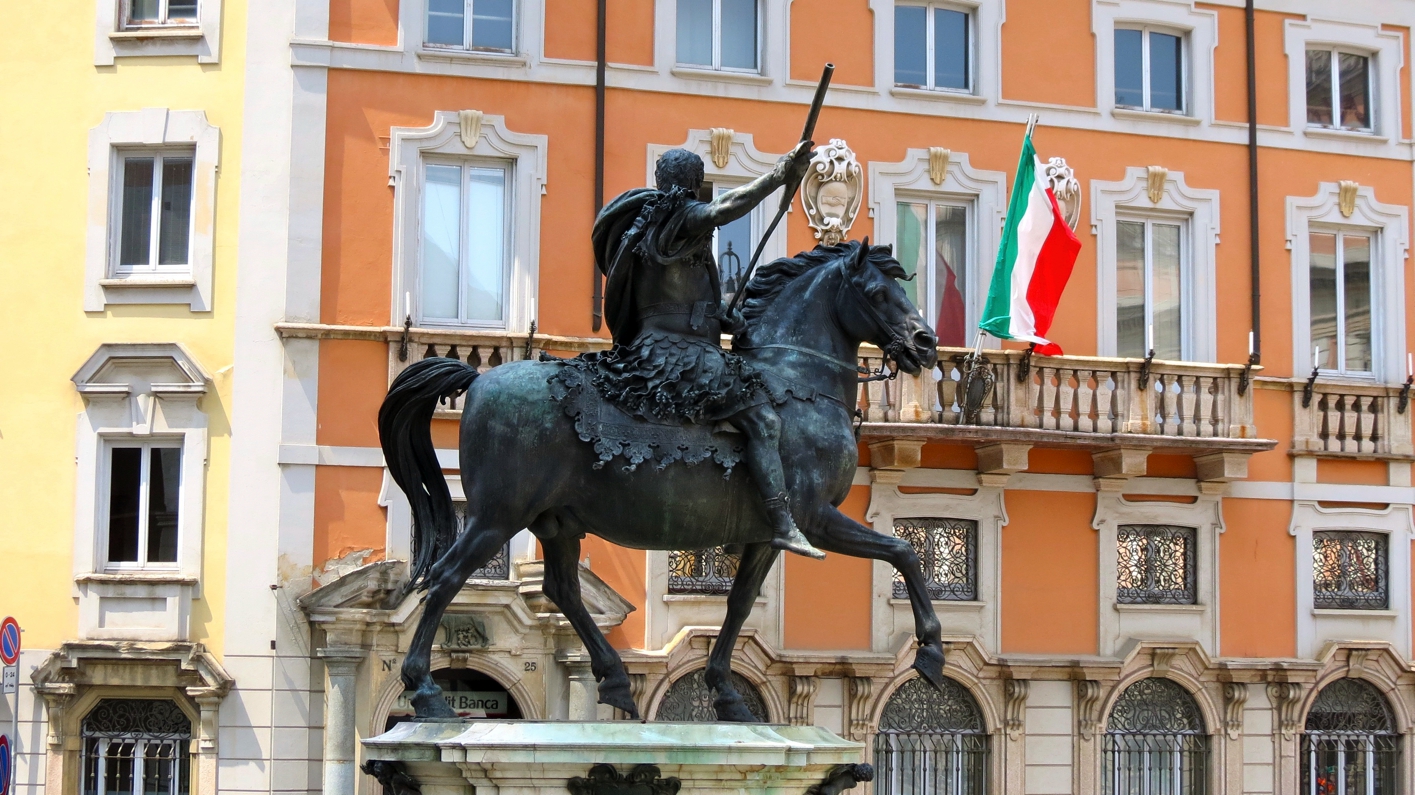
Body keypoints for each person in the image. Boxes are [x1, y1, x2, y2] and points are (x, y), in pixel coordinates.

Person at [588, 143, 824, 559]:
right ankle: (780, 523)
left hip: (662, 346)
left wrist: (719, 318)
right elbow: (725, 208)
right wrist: (780, 173)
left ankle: (739, 517)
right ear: (695, 186)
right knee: (765, 422)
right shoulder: (677, 218)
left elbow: (669, 300)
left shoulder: (647, 226)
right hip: (679, 355)